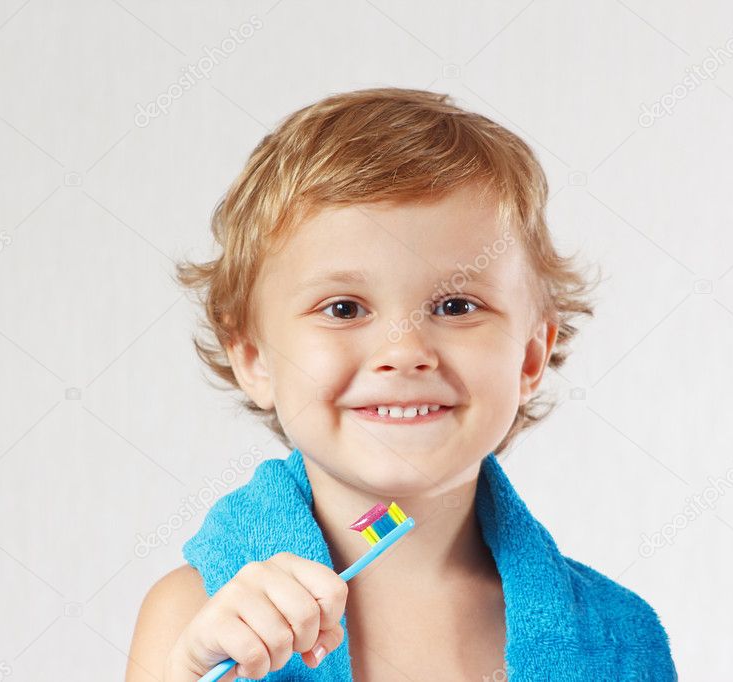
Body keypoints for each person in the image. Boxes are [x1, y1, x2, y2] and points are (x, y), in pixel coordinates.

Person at [126, 87, 677, 681]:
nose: (404, 352)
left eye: (457, 304)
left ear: (529, 356)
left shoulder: (617, 639)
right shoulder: (197, 624)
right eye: (343, 309)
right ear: (254, 358)